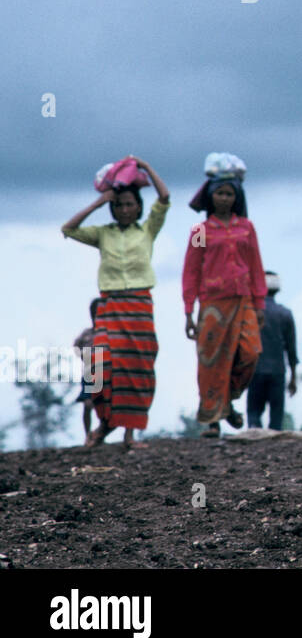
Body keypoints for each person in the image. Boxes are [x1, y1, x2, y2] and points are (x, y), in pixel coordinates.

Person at [61, 156, 170, 449]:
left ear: (138, 207)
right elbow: (68, 229)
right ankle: (104, 425)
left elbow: (165, 197)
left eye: (129, 204)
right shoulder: (103, 234)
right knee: (103, 364)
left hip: (139, 308)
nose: (124, 209)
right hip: (110, 308)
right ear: (113, 207)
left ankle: (130, 435)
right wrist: (98, 203)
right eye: (119, 205)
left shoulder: (147, 231)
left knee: (137, 369)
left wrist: (146, 167)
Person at [182, 169, 265, 437]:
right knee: (211, 361)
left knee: (251, 353)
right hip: (212, 304)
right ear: (210, 196)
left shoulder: (247, 228)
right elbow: (191, 270)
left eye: (229, 193)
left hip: (243, 299)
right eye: (220, 193)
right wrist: (188, 310)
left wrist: (260, 303)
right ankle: (212, 420)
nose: (224, 198)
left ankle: (226, 400)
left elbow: (255, 266)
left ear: (236, 196)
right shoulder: (200, 231)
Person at [246, 271, 298, 429]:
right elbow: (291, 349)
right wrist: (293, 377)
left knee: (253, 414)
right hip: (278, 371)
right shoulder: (285, 314)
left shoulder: (250, 313)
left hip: (255, 370)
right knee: (276, 419)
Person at [74, 303, 101, 440]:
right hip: (90, 370)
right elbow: (76, 345)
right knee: (88, 404)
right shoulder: (87, 333)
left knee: (103, 404)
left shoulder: (106, 334)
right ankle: (88, 434)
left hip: (103, 371)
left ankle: (99, 434)